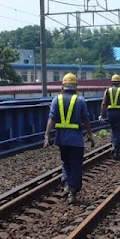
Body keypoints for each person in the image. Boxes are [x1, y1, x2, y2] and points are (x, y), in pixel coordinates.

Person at [44, 73, 94, 203]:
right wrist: (90, 134)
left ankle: (66, 184)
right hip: (76, 140)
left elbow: (52, 118)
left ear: (63, 85)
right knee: (76, 164)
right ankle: (72, 190)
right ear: (75, 86)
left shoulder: (56, 99)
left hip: (61, 139)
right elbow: (86, 119)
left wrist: (47, 135)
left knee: (66, 163)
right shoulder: (81, 100)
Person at [100, 74, 120, 159]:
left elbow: (104, 103)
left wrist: (102, 115)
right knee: (118, 131)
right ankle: (116, 150)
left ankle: (113, 144)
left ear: (112, 82)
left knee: (113, 130)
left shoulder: (107, 91)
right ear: (119, 82)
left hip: (110, 113)